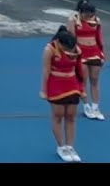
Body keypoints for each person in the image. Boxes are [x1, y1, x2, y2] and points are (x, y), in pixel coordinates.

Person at [40, 25, 86, 162]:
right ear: (59, 43)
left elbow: (79, 70)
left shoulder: (76, 49)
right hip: (56, 85)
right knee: (58, 116)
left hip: (72, 85)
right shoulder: (50, 50)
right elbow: (46, 70)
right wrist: (43, 90)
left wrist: (82, 89)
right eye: (66, 48)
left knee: (71, 116)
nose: (68, 50)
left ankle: (70, 146)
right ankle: (61, 147)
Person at [70, 0, 107, 120]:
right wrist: (74, 54)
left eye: (91, 14)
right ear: (81, 12)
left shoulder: (96, 20)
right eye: (86, 14)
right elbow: (72, 38)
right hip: (81, 53)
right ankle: (86, 106)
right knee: (83, 81)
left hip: (94, 52)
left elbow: (99, 37)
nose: (89, 16)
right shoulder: (73, 20)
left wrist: (102, 53)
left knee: (95, 80)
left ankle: (95, 107)